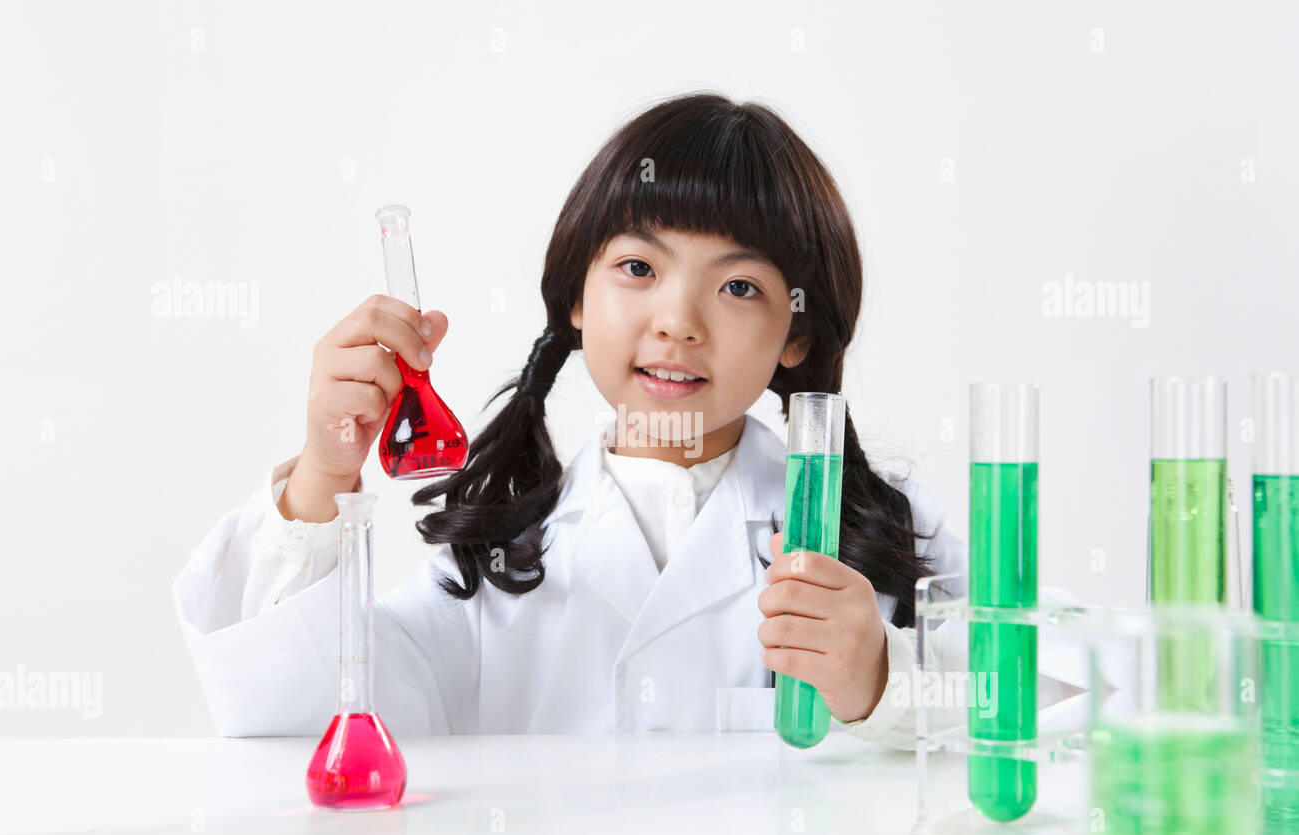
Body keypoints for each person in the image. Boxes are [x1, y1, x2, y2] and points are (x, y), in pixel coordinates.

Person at [173, 92, 1083, 742]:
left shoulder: (889, 542)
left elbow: (1069, 719)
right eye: (638, 268)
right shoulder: (490, 571)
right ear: (575, 295)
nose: (676, 321)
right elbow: (283, 718)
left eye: (737, 285)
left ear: (796, 335)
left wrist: (888, 683)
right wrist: (319, 482)